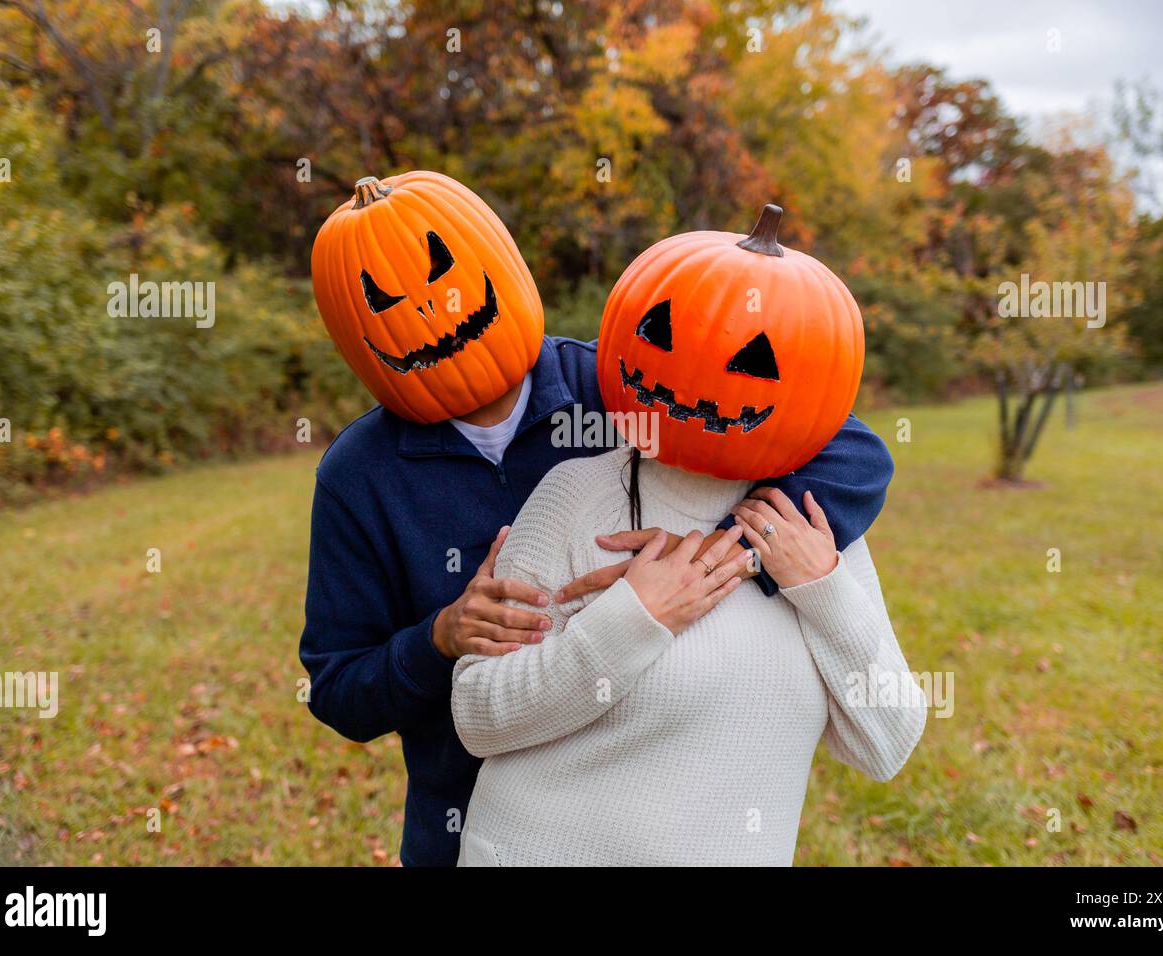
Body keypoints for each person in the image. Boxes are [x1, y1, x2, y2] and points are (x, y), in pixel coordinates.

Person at [299, 172, 895, 866]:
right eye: (385, 303)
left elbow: (850, 449)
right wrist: (440, 636)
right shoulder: (359, 476)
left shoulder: (623, 384)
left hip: (643, 807)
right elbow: (337, 687)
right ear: (354, 331)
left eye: (444, 273)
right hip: (464, 824)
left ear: (505, 266)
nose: (431, 310)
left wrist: (718, 549)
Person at [450, 211, 925, 866]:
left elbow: (887, 745)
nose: (709, 369)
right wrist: (636, 617)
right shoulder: (576, 495)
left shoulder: (808, 528)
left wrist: (821, 588)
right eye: (663, 331)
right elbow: (478, 716)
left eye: (755, 362)